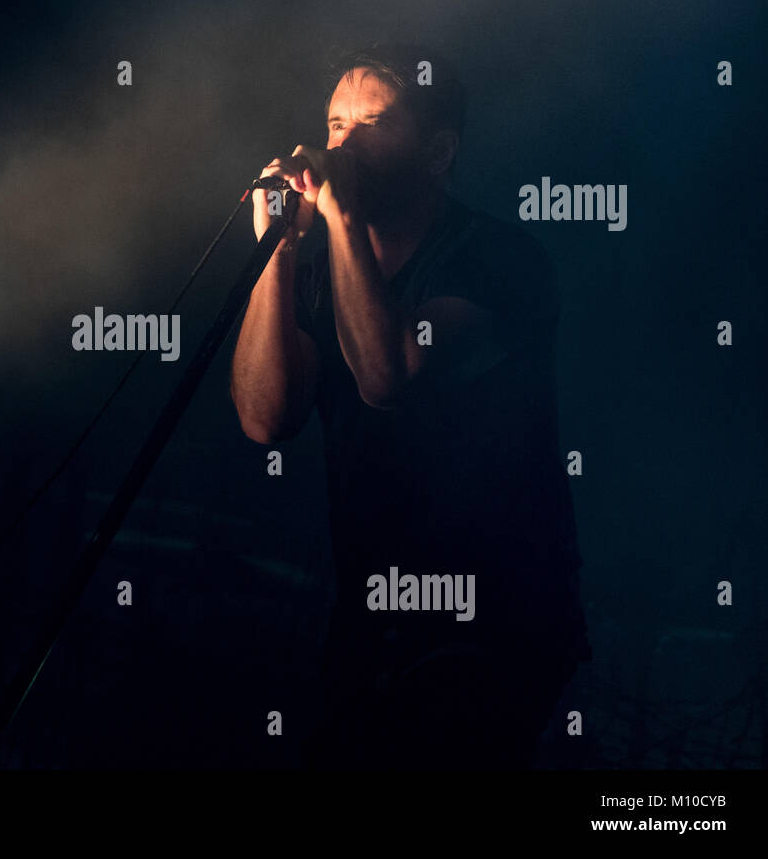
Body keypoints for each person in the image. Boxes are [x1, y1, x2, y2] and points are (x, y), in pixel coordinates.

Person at [229, 44, 591, 769]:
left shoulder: (496, 259)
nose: (342, 145)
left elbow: (387, 376)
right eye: (335, 125)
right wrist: (279, 254)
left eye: (373, 125)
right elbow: (267, 419)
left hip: (494, 621)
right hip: (372, 615)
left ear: (438, 151)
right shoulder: (320, 265)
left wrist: (339, 215)